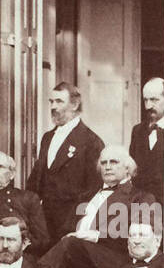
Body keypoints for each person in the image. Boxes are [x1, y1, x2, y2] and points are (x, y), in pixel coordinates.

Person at [27, 82, 105, 251]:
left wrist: (72, 224)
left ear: (75, 105)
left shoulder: (91, 141)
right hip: (43, 224)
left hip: (70, 225)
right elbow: (37, 179)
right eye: (51, 102)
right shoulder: (47, 138)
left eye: (59, 101)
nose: (53, 107)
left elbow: (94, 189)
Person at [128, 77, 164, 202]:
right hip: (140, 206)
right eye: (146, 100)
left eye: (154, 100)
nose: (148, 106)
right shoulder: (137, 131)